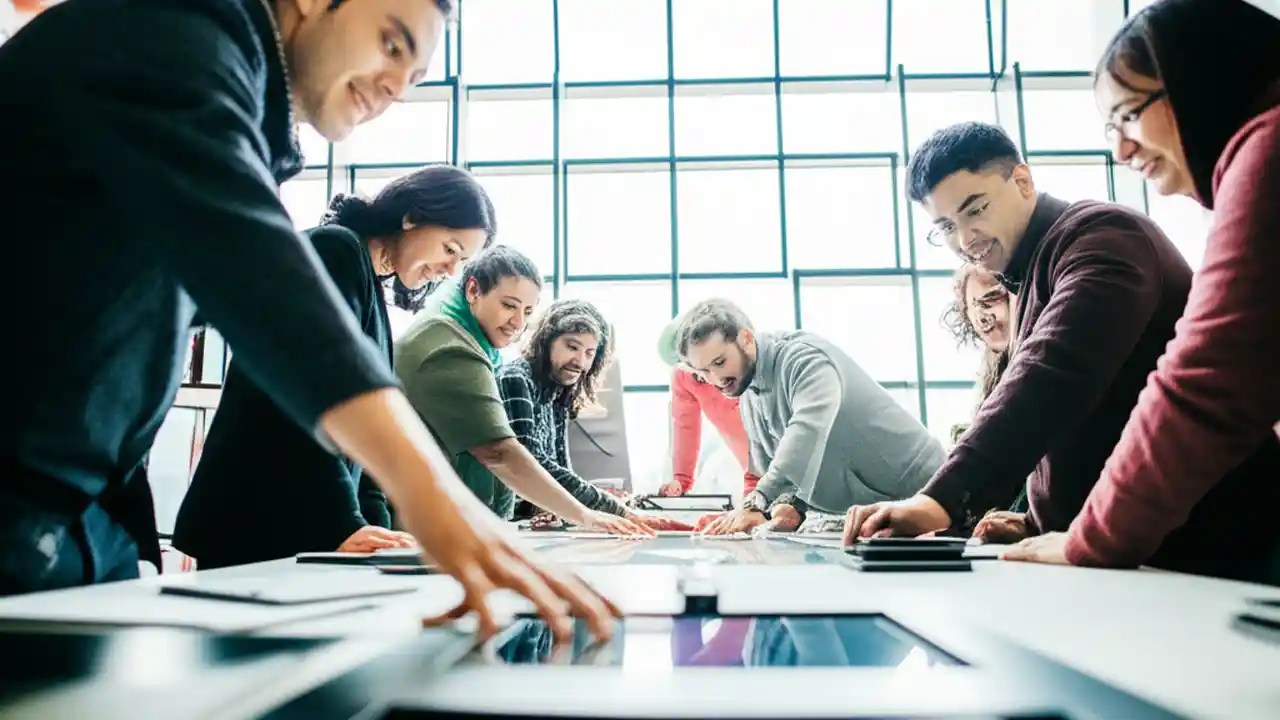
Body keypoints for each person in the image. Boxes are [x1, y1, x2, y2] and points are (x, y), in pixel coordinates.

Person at [1, 0, 616, 640]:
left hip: (78, 517)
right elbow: (262, 284)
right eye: (392, 44)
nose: (396, 87)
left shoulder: (220, 95)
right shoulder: (170, 33)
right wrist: (433, 498)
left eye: (416, 76)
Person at [1004, 0, 1280, 584]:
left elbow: (1207, 384)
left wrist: (1093, 537)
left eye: (1129, 114)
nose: (1122, 150)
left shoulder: (1268, 149)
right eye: (1112, 129)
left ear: (1201, 75)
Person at [842, 119, 1200, 556]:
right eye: (945, 228)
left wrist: (940, 498)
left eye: (975, 210)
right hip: (1131, 547)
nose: (964, 240)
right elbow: (1096, 424)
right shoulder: (1029, 276)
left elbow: (1053, 375)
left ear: (1023, 181)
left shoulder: (1104, 237)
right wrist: (1037, 520)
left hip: (1207, 549)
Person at [173, 165, 494, 569]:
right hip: (260, 512)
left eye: (461, 261)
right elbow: (312, 395)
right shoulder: (336, 250)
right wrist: (342, 523)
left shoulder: (371, 286)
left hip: (300, 520)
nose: (450, 270)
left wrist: (385, 540)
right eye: (450, 249)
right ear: (412, 216)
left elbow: (362, 447)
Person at [395, 247, 652, 537]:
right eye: (509, 305)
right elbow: (499, 453)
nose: (518, 323)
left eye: (527, 311)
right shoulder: (451, 347)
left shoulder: (475, 345)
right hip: (426, 529)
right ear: (472, 290)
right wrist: (588, 515)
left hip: (456, 523)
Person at [677, 299, 944, 536]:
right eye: (704, 373)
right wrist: (782, 507)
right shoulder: (748, 393)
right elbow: (767, 468)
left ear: (746, 338)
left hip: (928, 491)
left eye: (720, 363)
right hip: (875, 515)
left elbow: (807, 432)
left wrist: (757, 501)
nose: (715, 380)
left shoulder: (806, 360)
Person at [493, 300, 689, 530]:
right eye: (572, 347)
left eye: (589, 353)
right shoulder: (515, 379)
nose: (580, 362)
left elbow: (561, 469)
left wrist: (571, 510)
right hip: (502, 523)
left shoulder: (558, 392)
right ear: (546, 342)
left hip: (535, 525)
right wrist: (620, 511)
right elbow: (532, 464)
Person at [655, 318, 759, 499]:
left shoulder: (740, 366)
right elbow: (685, 425)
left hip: (777, 463)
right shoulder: (683, 376)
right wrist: (682, 479)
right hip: (752, 470)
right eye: (693, 368)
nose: (705, 376)